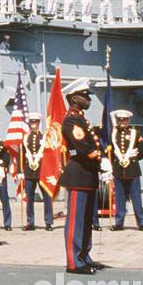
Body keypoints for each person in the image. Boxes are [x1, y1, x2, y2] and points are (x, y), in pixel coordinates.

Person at [59, 79, 105, 274]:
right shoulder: (71, 119)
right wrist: (100, 159)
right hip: (78, 173)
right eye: (85, 96)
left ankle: (84, 256)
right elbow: (83, 146)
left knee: (86, 219)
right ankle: (74, 262)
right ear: (74, 98)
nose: (88, 99)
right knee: (76, 220)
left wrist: (102, 158)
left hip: (88, 173)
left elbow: (93, 143)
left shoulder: (81, 119)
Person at [108, 110, 143, 231]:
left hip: (132, 170)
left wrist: (133, 158)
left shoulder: (134, 133)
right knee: (119, 198)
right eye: (120, 120)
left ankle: (141, 223)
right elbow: (110, 151)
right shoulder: (113, 133)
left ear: (128, 121)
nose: (122, 122)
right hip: (118, 170)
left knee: (136, 197)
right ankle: (119, 223)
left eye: (125, 120)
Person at [20, 113, 53, 230]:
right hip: (29, 170)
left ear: (39, 123)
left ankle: (48, 222)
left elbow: (49, 155)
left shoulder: (44, 138)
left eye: (35, 123)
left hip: (42, 170)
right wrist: (20, 170)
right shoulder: (25, 138)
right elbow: (21, 156)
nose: (33, 125)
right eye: (31, 123)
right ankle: (30, 222)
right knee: (29, 197)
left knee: (47, 197)